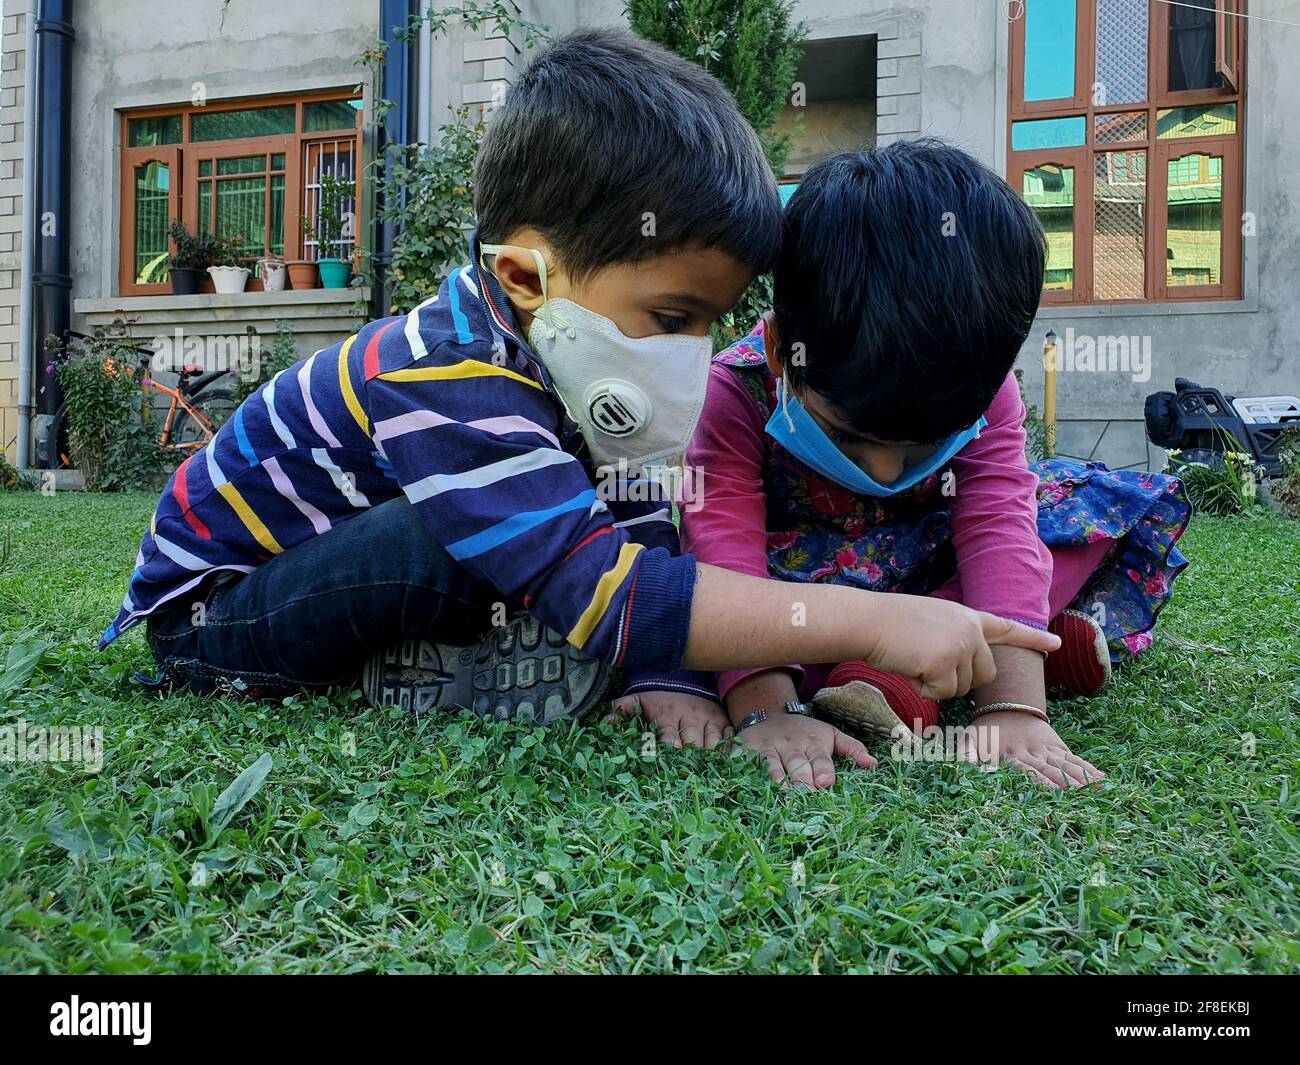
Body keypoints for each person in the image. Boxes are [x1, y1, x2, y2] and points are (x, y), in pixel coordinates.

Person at [100, 34, 1056, 759]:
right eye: (675, 315)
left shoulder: (568, 360)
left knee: (571, 517)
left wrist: (667, 670)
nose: (698, 354)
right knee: (448, 540)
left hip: (344, 572)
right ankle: (440, 669)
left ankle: (490, 657)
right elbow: (600, 583)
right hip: (217, 619)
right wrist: (874, 621)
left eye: (712, 323)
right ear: (524, 275)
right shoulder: (442, 373)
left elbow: (642, 514)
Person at [680, 141, 1190, 790]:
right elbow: (726, 562)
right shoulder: (734, 392)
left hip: (934, 568)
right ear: (782, 350)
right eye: (852, 438)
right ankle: (968, 662)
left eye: (924, 447)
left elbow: (1000, 527)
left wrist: (1014, 708)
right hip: (802, 592)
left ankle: (914, 677)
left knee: (1079, 510)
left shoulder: (982, 389)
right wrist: (767, 707)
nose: (888, 469)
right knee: (697, 607)